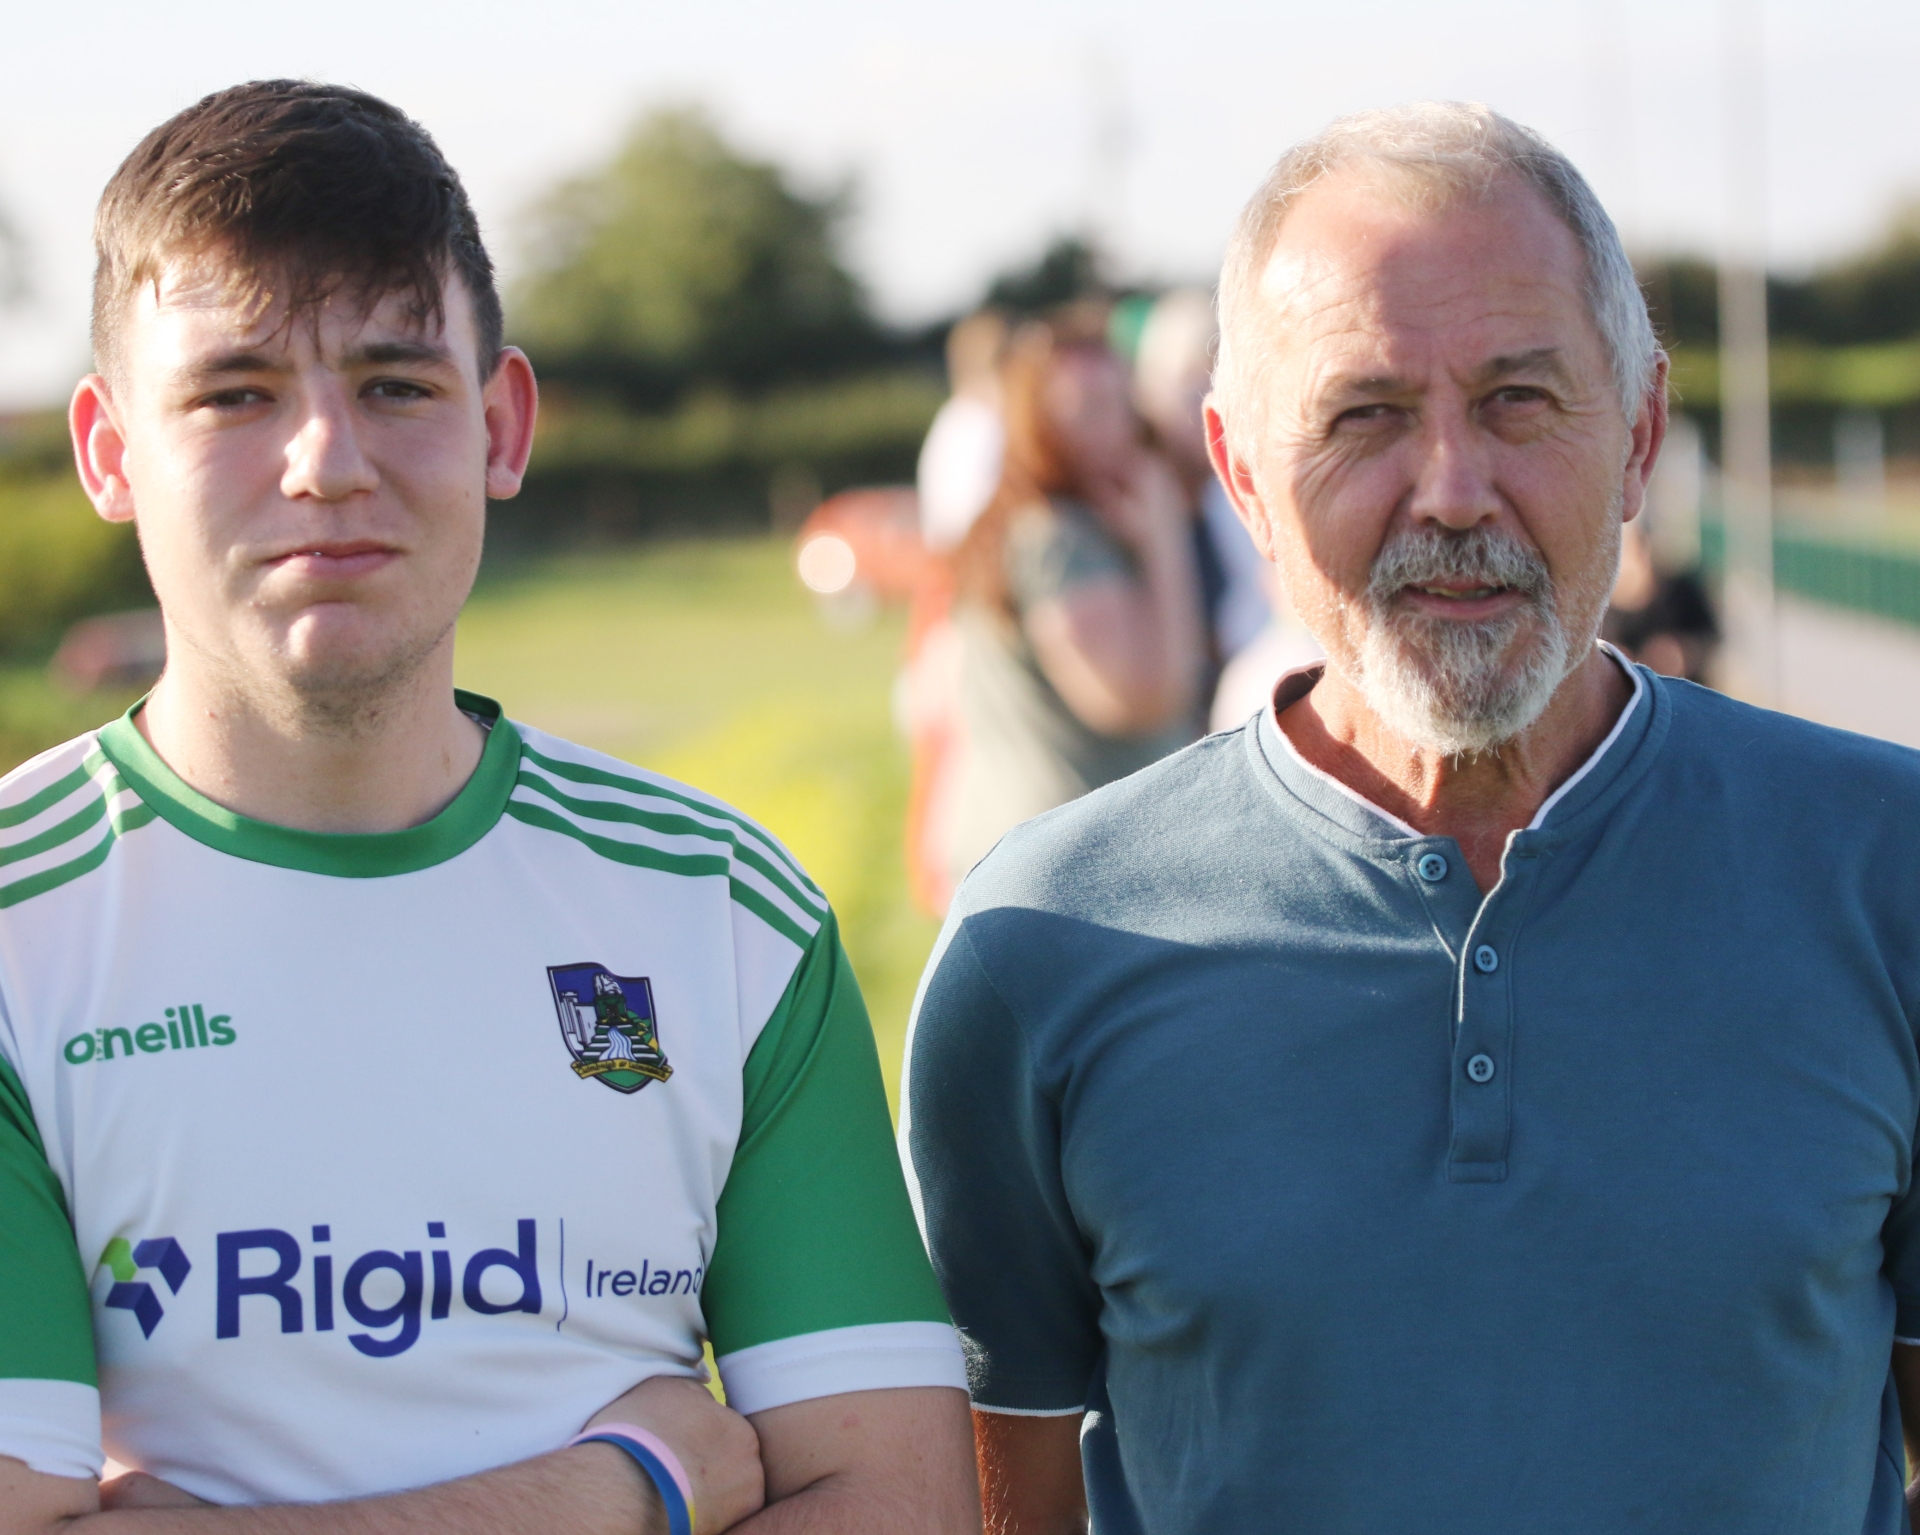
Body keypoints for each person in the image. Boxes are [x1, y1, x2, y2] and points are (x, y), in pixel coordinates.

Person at [903, 100, 1920, 1535]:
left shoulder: (1888, 869)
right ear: (1244, 473)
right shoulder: (1041, 944)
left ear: (1638, 436)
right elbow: (999, 1503)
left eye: (1520, 399)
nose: (1451, 488)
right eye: (1364, 414)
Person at [0, 82, 976, 1535]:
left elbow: (896, 1502)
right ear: (109, 453)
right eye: (233, 391)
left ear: (503, 424)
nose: (327, 459)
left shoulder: (723, 911)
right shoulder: (16, 933)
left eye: (397, 382)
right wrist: (621, 1484)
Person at [938, 309, 1202, 894]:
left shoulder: (1026, 519)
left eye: (1119, 403)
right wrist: (1165, 545)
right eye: (1085, 410)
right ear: (1035, 422)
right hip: (1066, 875)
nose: (1115, 428)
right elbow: (1141, 701)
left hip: (1040, 859)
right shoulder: (1058, 538)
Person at [916, 309, 1007, 553]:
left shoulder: (953, 419)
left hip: (951, 561)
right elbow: (973, 516)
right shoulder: (982, 425)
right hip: (973, 564)